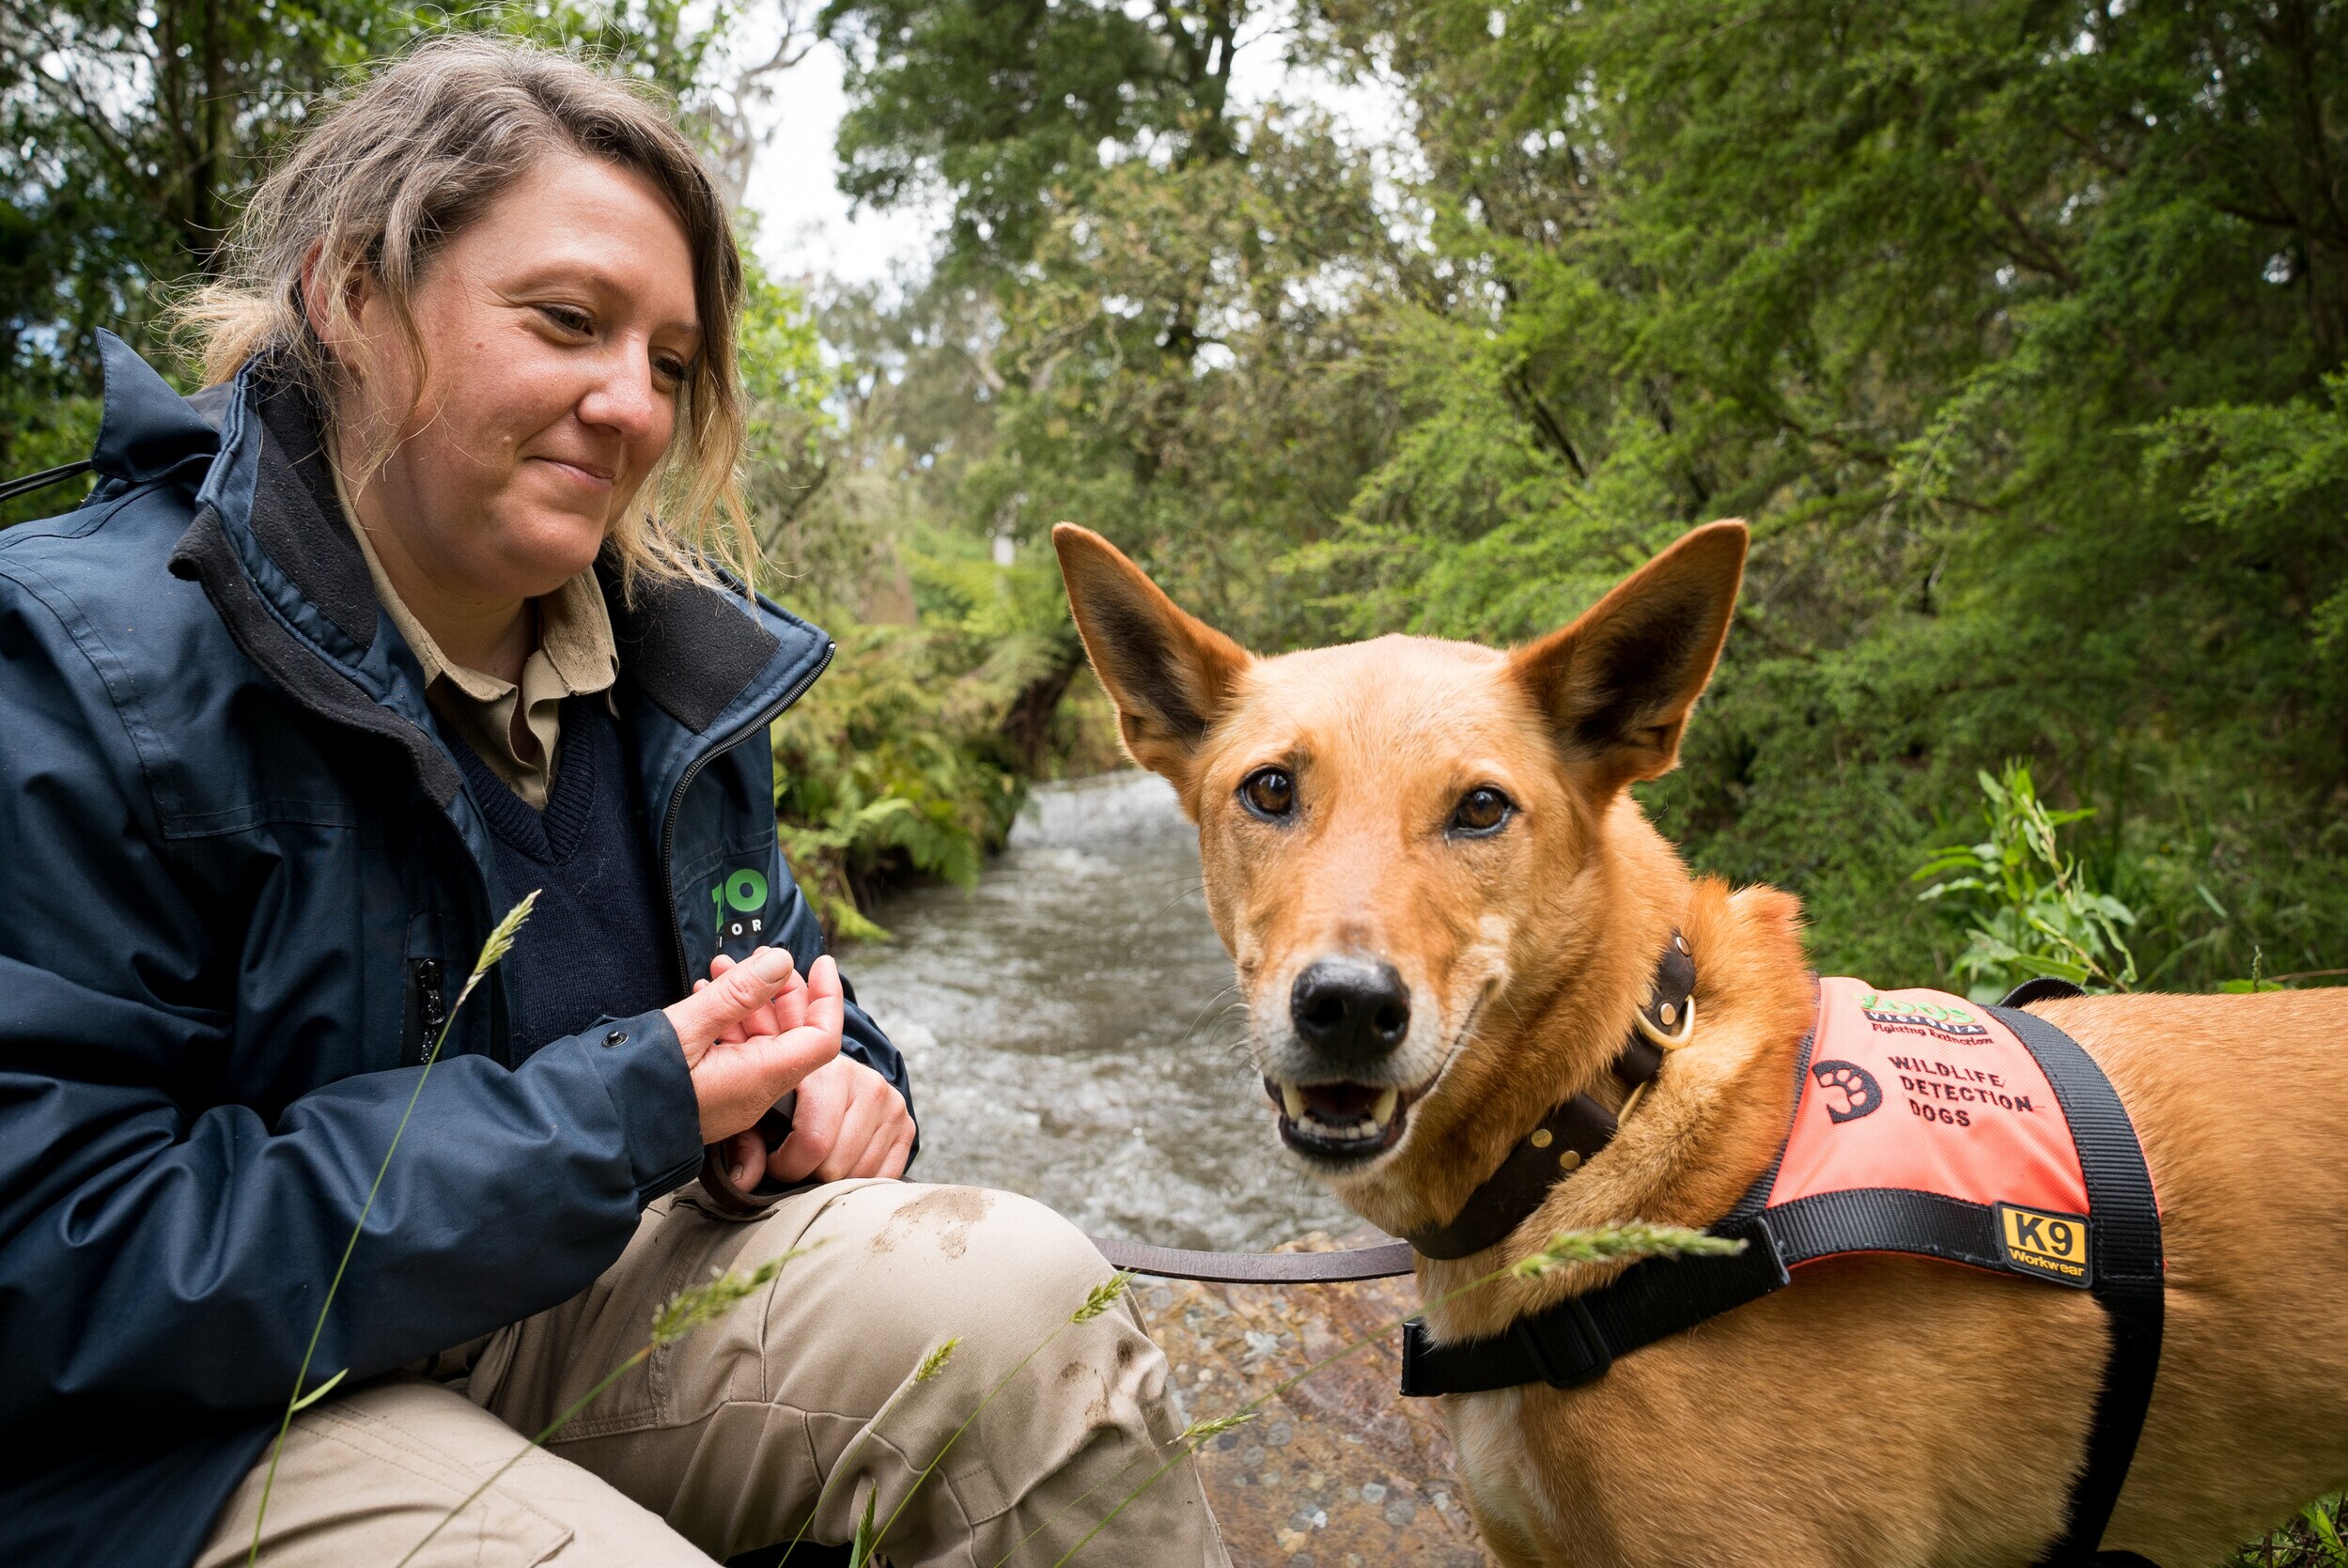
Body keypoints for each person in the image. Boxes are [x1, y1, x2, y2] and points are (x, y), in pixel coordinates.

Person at [0, 38, 1226, 1568]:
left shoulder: (676, 672)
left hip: (547, 1315)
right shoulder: (72, 662)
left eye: (669, 361)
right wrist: (621, 1109)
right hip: (185, 1438)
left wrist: (829, 1091)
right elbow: (55, 1258)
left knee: (1031, 1294)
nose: (628, 405)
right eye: (569, 322)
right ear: (350, 293)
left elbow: (793, 988)